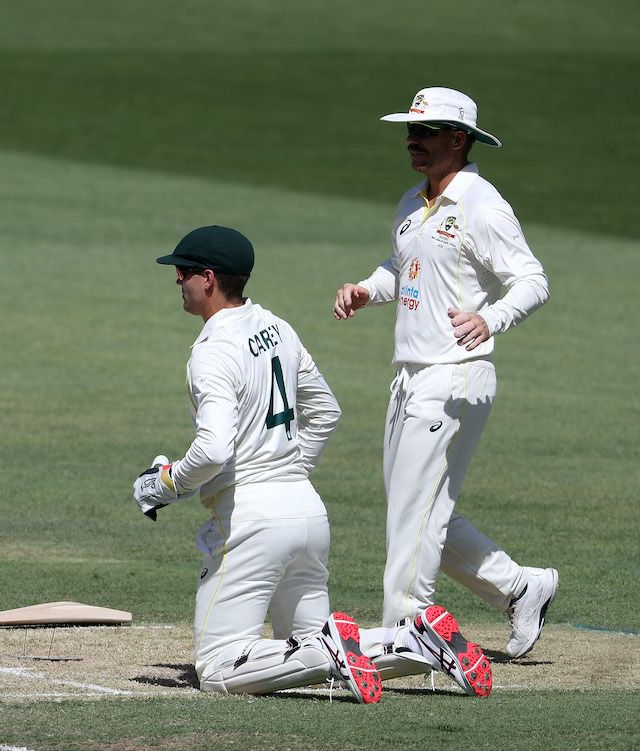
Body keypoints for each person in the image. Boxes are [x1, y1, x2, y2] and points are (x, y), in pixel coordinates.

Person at [332, 87, 557, 673]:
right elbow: (401, 266)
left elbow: (532, 279)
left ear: (458, 140)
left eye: (426, 132)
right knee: (420, 508)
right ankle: (518, 587)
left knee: (413, 512)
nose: (413, 140)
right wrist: (365, 290)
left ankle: (407, 633)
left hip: (455, 375)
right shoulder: (414, 199)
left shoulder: (481, 204)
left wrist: (491, 318)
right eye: (410, 130)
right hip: (409, 373)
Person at [132, 225, 390, 703]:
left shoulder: (212, 352)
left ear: (208, 279)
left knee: (216, 667)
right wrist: (288, 472)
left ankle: (330, 650)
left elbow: (212, 451)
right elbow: (327, 412)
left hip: (252, 522)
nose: (177, 281)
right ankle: (413, 644)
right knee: (312, 653)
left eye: (183, 272)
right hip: (307, 512)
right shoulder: (278, 327)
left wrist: (164, 484)